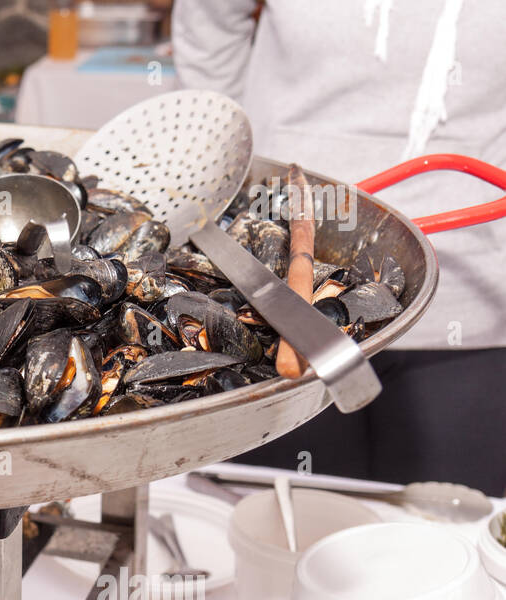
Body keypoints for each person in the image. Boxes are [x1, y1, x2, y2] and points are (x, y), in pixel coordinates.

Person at [172, 0, 506, 495]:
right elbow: (208, 24)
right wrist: (240, 153)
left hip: (472, 297)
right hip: (273, 286)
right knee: (274, 520)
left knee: (452, 524)